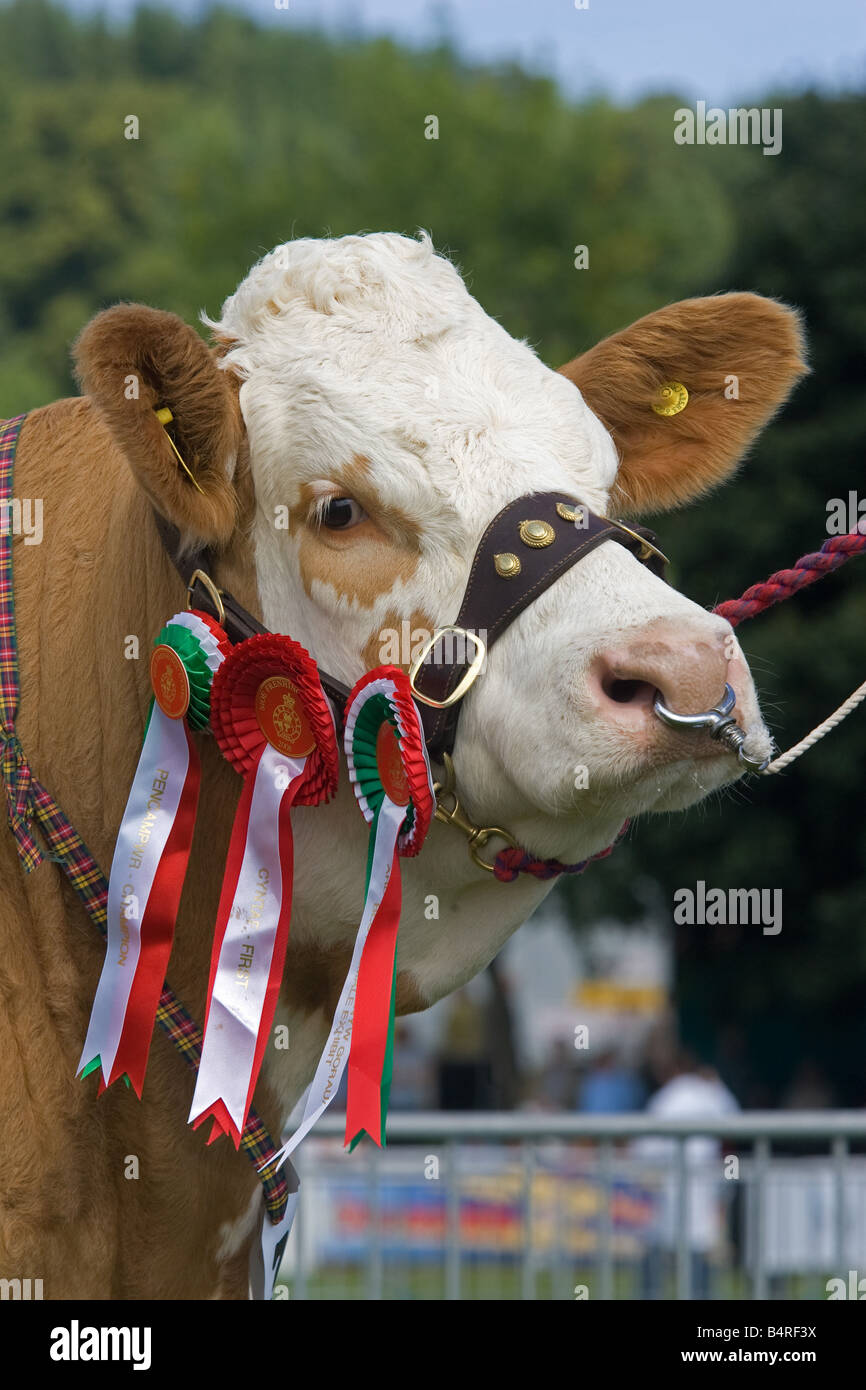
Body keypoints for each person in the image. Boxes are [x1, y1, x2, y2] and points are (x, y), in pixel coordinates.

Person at [631, 1048, 739, 1300]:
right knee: (698, 1251)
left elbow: (646, 1147)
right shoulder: (710, 1093)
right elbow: (734, 1117)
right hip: (701, 1182)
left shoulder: (667, 1098)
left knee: (661, 1254)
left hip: (674, 1185)